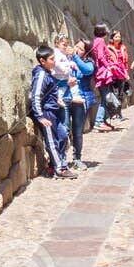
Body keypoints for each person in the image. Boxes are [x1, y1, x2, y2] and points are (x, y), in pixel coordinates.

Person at [28, 45, 72, 178]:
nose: (54, 62)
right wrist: (40, 116)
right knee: (51, 141)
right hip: (46, 113)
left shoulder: (48, 73)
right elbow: (36, 95)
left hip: (53, 111)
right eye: (52, 59)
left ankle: (56, 164)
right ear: (42, 61)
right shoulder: (41, 74)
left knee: (63, 136)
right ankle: (59, 169)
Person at [56, 36, 90, 170]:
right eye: (77, 46)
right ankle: (62, 159)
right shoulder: (61, 57)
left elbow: (87, 71)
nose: (77, 49)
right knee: (64, 130)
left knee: (78, 131)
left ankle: (77, 158)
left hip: (78, 99)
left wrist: (75, 57)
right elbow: (55, 73)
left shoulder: (86, 62)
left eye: (82, 49)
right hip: (64, 98)